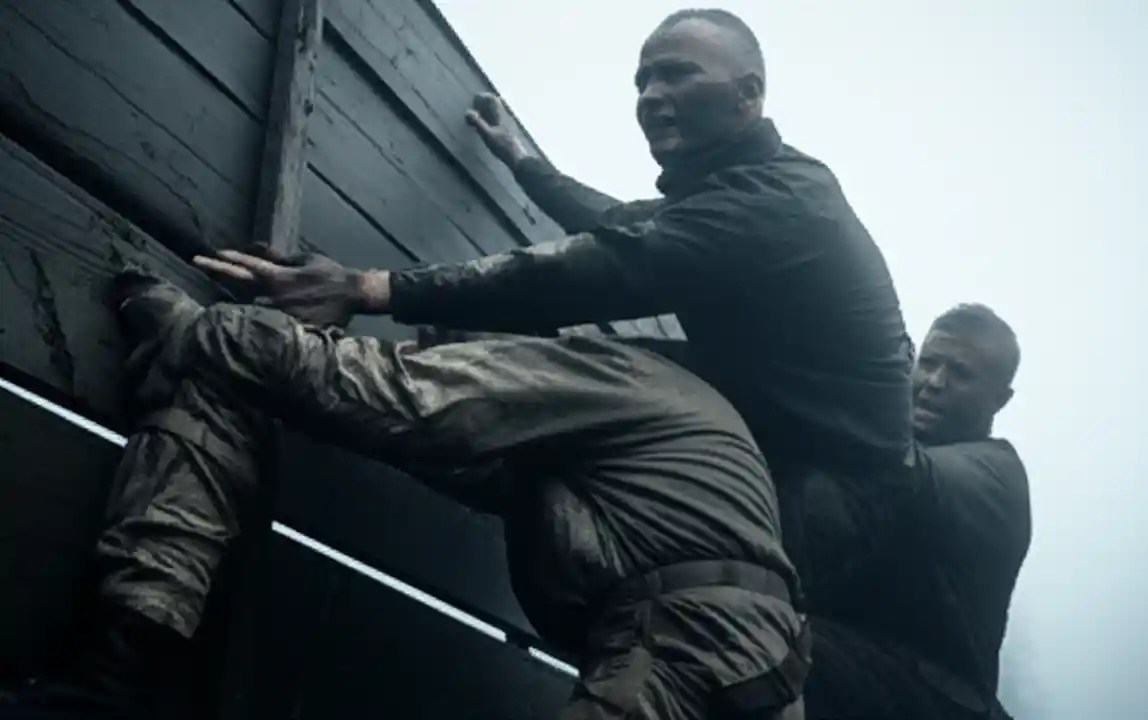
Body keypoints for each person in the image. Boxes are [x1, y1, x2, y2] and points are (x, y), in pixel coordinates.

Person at [196, 6, 916, 626]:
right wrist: (521, 162)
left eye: (677, 74)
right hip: (771, 433)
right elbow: (620, 224)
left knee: (597, 376)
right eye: (641, 79)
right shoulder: (734, 197)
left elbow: (608, 267)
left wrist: (372, 287)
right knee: (537, 374)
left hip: (828, 494)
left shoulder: (783, 202)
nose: (651, 94)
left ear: (748, 95)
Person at [1, 269, 808, 720]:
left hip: (686, 655)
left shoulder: (604, 374)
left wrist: (205, 331)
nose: (445, 354)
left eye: (455, 344)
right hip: (749, 672)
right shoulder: (635, 431)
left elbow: (404, 398)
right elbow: (432, 445)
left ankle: (107, 689)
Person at [805, 304, 1032, 719]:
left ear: (1000, 398)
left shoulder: (995, 475)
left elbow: (897, 474)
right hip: (858, 667)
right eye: (928, 363)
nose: (933, 382)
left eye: (961, 374)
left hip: (935, 700)